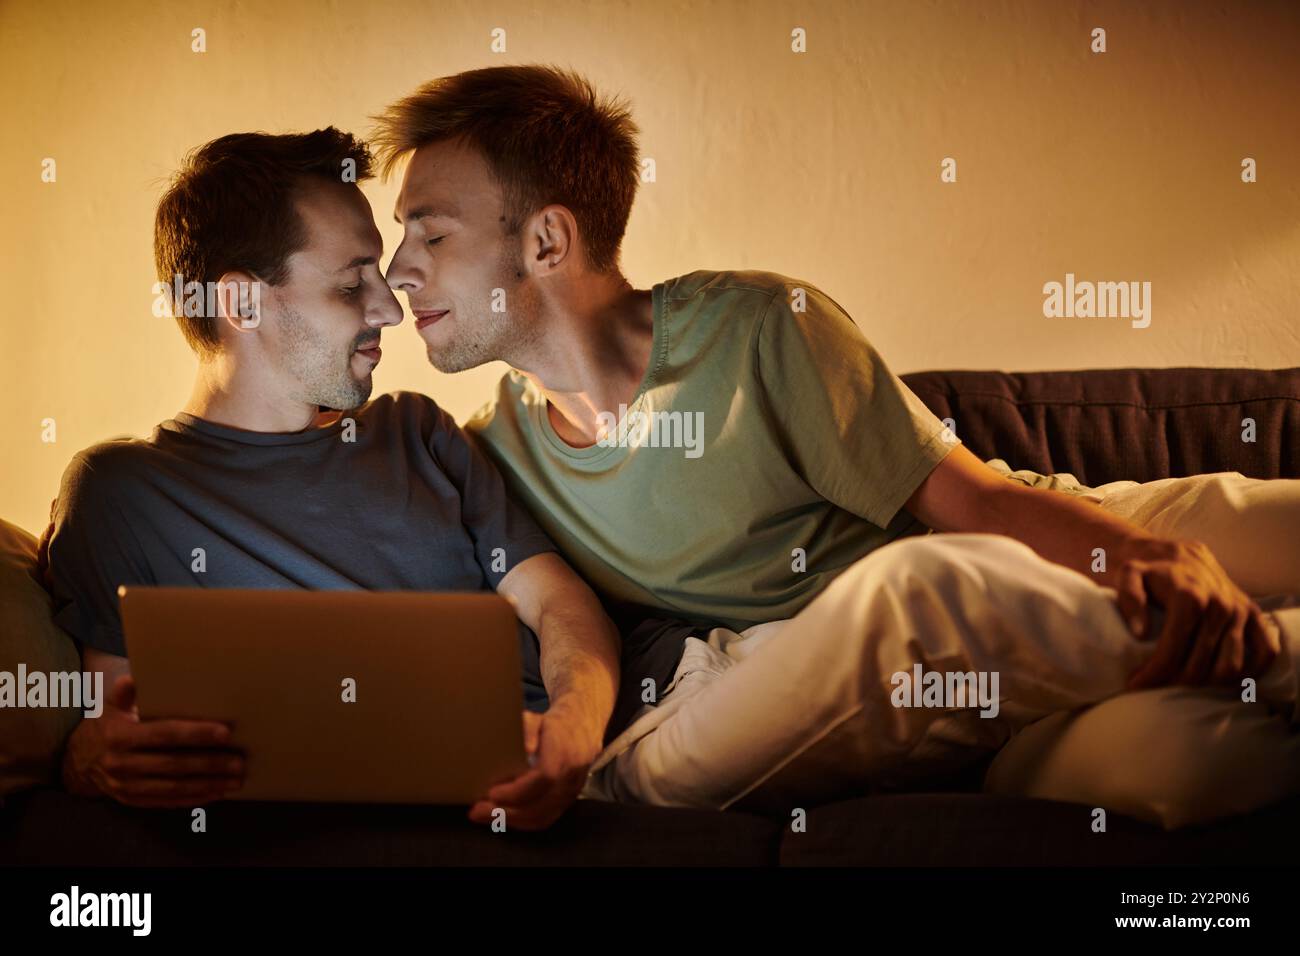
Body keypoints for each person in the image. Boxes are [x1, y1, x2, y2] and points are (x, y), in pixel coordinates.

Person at [371, 64, 1300, 825]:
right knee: (1193, 766)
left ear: (545, 240)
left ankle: (1225, 630)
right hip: (931, 687)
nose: (398, 268)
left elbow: (974, 505)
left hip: (1038, 533)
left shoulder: (759, 325)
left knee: (1263, 525)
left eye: (431, 232)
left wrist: (1142, 556)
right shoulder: (493, 456)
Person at [44, 128, 643, 831]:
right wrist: (88, 758)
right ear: (239, 305)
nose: (391, 310)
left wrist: (574, 732)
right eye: (352, 284)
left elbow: (558, 606)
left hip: (535, 805)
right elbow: (112, 720)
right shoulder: (123, 494)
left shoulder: (416, 433)